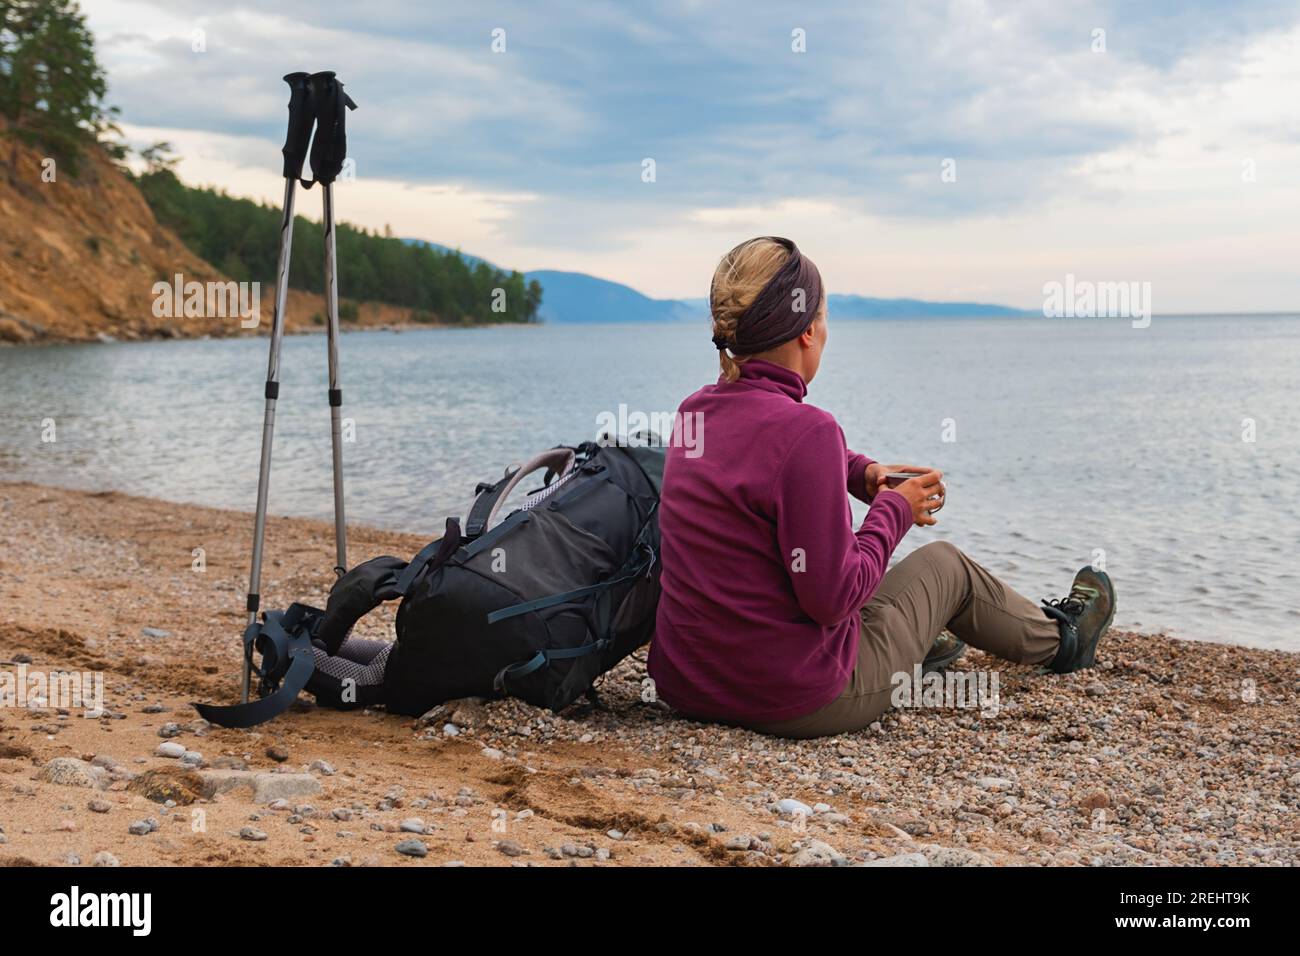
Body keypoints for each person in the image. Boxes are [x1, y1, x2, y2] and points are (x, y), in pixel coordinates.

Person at [646, 236, 1115, 739]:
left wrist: (858, 472)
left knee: (830, 571)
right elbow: (832, 601)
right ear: (808, 331)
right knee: (946, 566)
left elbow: (757, 455)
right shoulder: (810, 432)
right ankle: (1065, 640)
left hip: (688, 686)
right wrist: (894, 510)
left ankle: (918, 644)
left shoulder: (695, 412)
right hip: (797, 700)